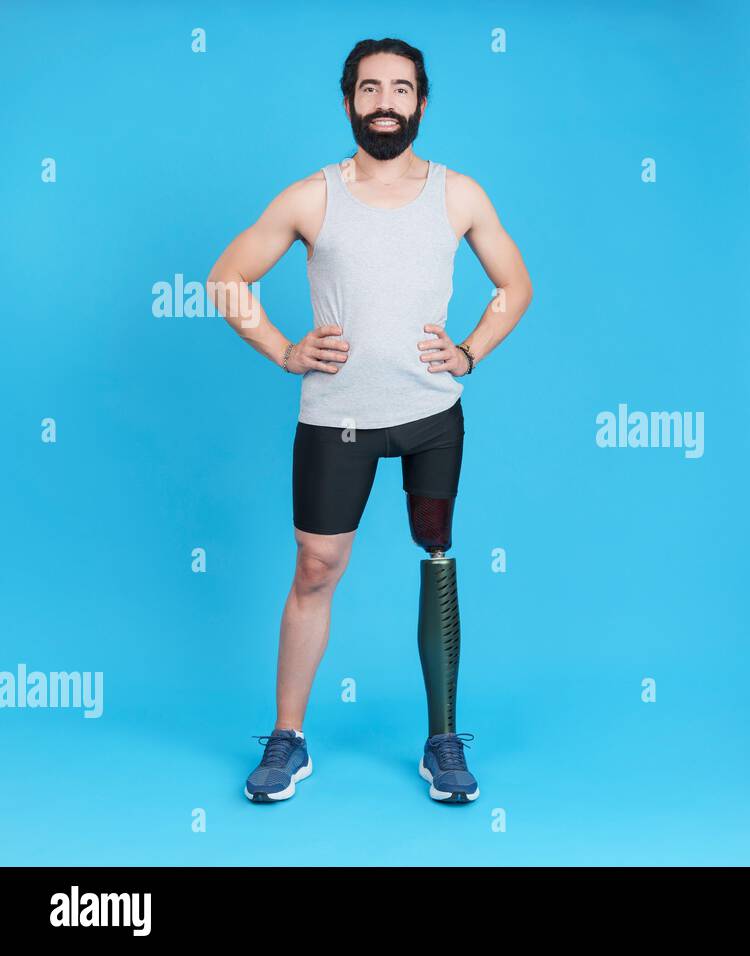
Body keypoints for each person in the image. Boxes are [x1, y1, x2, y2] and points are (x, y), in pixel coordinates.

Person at [205, 37, 532, 805]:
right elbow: (226, 279)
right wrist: (285, 349)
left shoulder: (460, 195)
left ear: (421, 101)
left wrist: (472, 351)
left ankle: (443, 739)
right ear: (349, 99)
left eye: (401, 89)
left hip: (429, 417)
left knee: (437, 559)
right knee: (316, 571)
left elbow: (515, 286)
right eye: (370, 88)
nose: (386, 102)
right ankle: (287, 737)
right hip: (337, 420)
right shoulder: (312, 197)